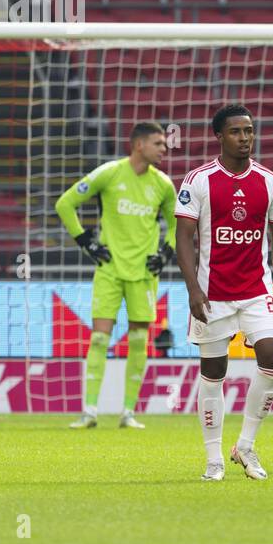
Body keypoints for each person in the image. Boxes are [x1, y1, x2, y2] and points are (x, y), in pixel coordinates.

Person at [175, 104, 273, 481]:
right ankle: (213, 458)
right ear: (219, 136)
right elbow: (183, 238)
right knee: (214, 370)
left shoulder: (271, 183)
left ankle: (245, 446)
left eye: (249, 131)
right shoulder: (198, 181)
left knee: (272, 356)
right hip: (213, 294)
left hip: (256, 290)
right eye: (236, 132)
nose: (245, 138)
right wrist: (193, 290)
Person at [56, 121, 176, 430]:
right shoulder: (109, 173)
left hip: (143, 275)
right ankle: (90, 411)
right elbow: (65, 203)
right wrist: (86, 241)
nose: (165, 149)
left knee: (138, 341)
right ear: (139, 145)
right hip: (109, 270)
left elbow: (178, 224)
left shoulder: (163, 184)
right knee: (99, 339)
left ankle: (128, 413)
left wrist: (166, 252)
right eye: (159, 143)